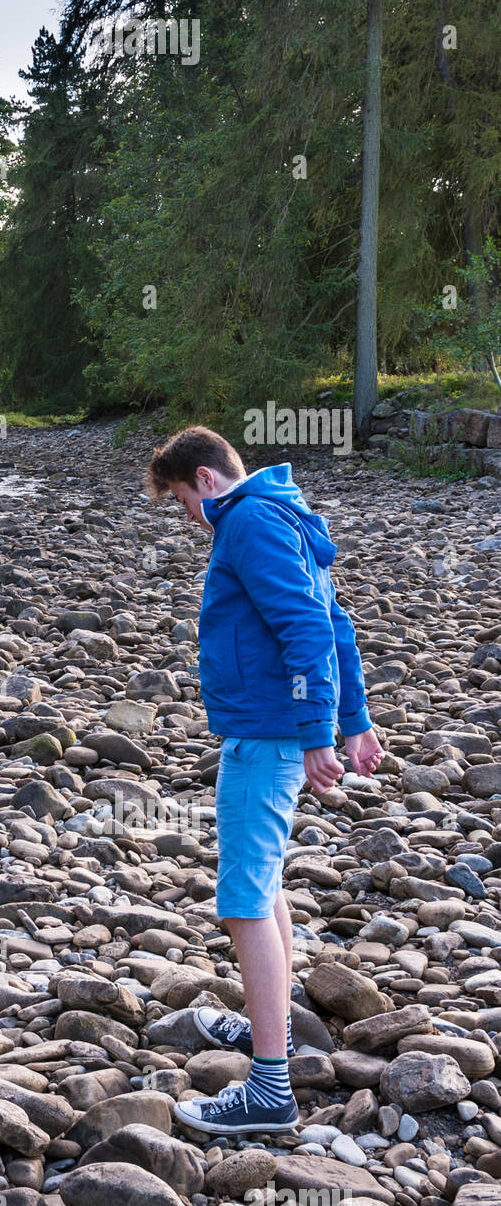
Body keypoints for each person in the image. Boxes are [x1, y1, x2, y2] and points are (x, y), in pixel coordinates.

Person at [143, 426, 383, 1134]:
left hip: (266, 733)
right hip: (279, 726)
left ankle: (270, 1089)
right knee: (266, 881)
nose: (190, 518)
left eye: (185, 501)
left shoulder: (246, 521)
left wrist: (319, 733)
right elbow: (334, 620)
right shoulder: (282, 512)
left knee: (243, 899)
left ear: (207, 480)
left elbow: (307, 624)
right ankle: (269, 1027)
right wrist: (354, 719)